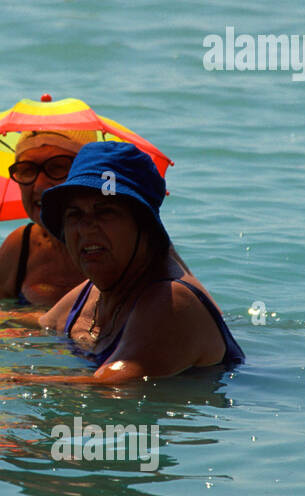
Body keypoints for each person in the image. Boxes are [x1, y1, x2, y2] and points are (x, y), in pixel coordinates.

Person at [14, 142, 244, 383]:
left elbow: (109, 386)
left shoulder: (173, 302)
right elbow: (43, 326)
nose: (85, 227)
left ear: (144, 225)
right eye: (74, 214)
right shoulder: (92, 292)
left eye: (105, 212)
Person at [0, 130, 90, 307]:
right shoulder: (20, 245)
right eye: (27, 170)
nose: (39, 185)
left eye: (57, 167)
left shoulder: (109, 246)